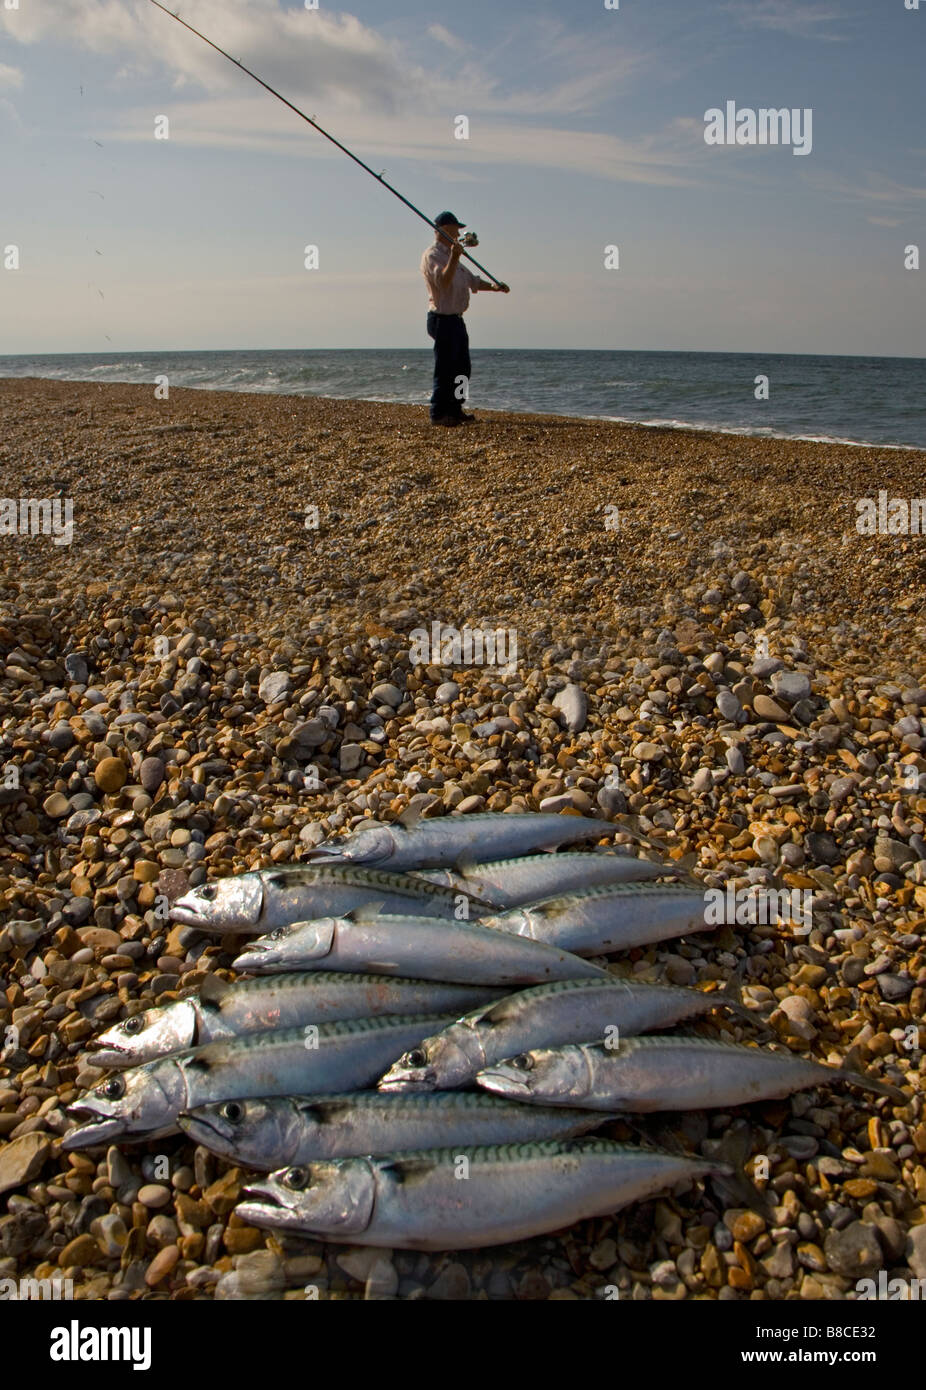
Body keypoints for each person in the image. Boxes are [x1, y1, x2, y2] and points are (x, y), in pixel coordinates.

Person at [421, 212, 509, 426]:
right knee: (445, 368)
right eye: (454, 230)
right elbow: (443, 281)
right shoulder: (432, 255)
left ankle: (456, 408)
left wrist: (495, 287)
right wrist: (454, 256)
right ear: (441, 230)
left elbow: (472, 281)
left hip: (456, 319)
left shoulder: (455, 254)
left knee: (462, 368)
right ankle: (439, 413)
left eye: (458, 230)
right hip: (441, 319)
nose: (458, 233)